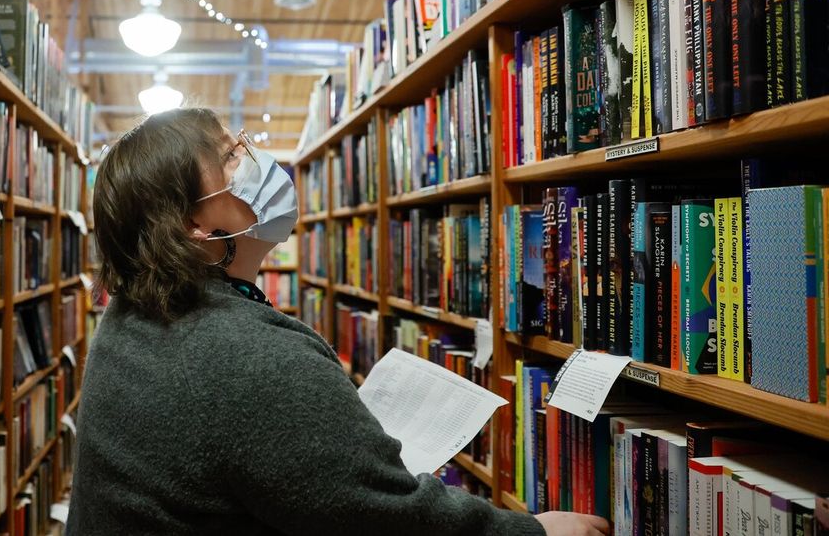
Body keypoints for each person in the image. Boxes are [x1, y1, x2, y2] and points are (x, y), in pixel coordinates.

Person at [68, 108, 609, 536]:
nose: (257, 158)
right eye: (232, 157)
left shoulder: (130, 316)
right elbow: (383, 518)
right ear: (194, 226)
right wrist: (532, 531)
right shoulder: (247, 355)